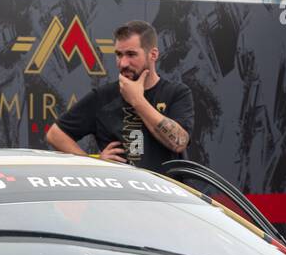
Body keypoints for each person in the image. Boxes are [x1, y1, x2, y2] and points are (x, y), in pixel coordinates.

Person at [45, 20, 194, 172]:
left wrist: (137, 100)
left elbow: (179, 142)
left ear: (153, 54)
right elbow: (55, 135)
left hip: (166, 193)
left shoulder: (177, 92)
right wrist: (93, 163)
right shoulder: (103, 97)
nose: (123, 63)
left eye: (131, 54)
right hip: (121, 194)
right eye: (118, 54)